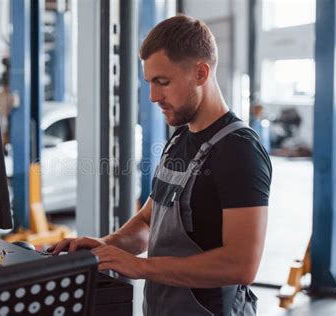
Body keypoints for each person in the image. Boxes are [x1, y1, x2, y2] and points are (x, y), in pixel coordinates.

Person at [49, 15, 272, 316]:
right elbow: (146, 222)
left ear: (201, 73)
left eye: (162, 82)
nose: (153, 97)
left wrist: (141, 267)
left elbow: (241, 264)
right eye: (150, 83)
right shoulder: (179, 138)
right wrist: (105, 247)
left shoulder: (239, 149)